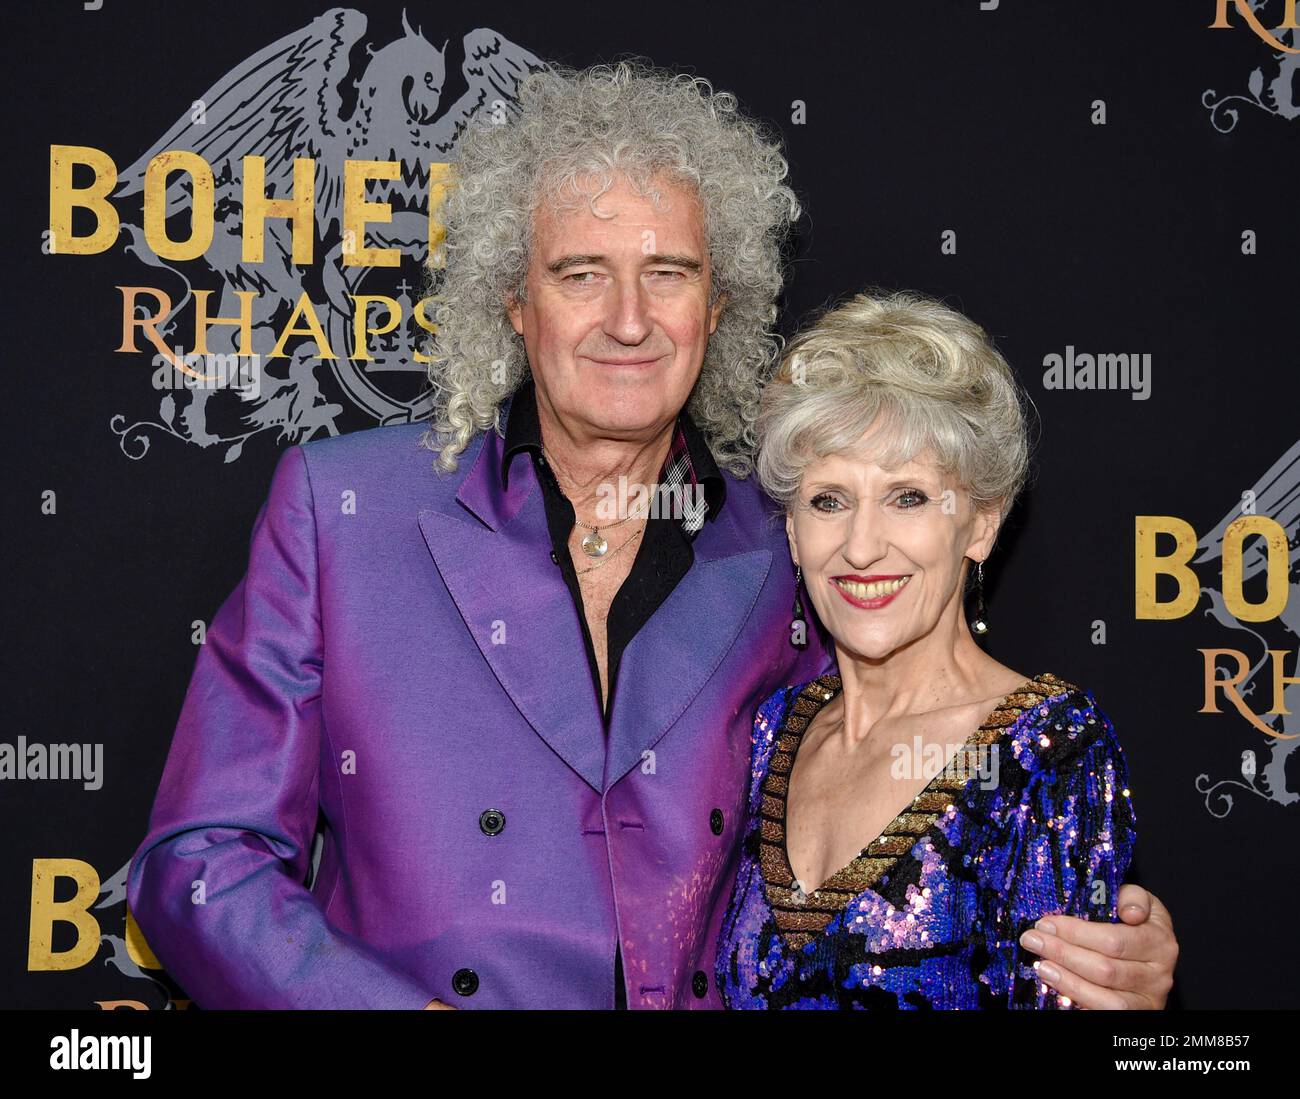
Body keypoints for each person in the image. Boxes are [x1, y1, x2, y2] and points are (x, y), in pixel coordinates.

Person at [126, 61, 1177, 1009]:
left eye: (667, 272)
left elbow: (904, 819)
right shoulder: (346, 509)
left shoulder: (792, 544)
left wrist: (1111, 943)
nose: (628, 318)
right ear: (514, 305)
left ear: (718, 305)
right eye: (580, 272)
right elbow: (199, 863)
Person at [717, 289, 1138, 1008]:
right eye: (828, 500)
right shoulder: (769, 733)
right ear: (790, 529)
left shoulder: (1048, 755)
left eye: (908, 496)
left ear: (980, 524)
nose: (860, 545)